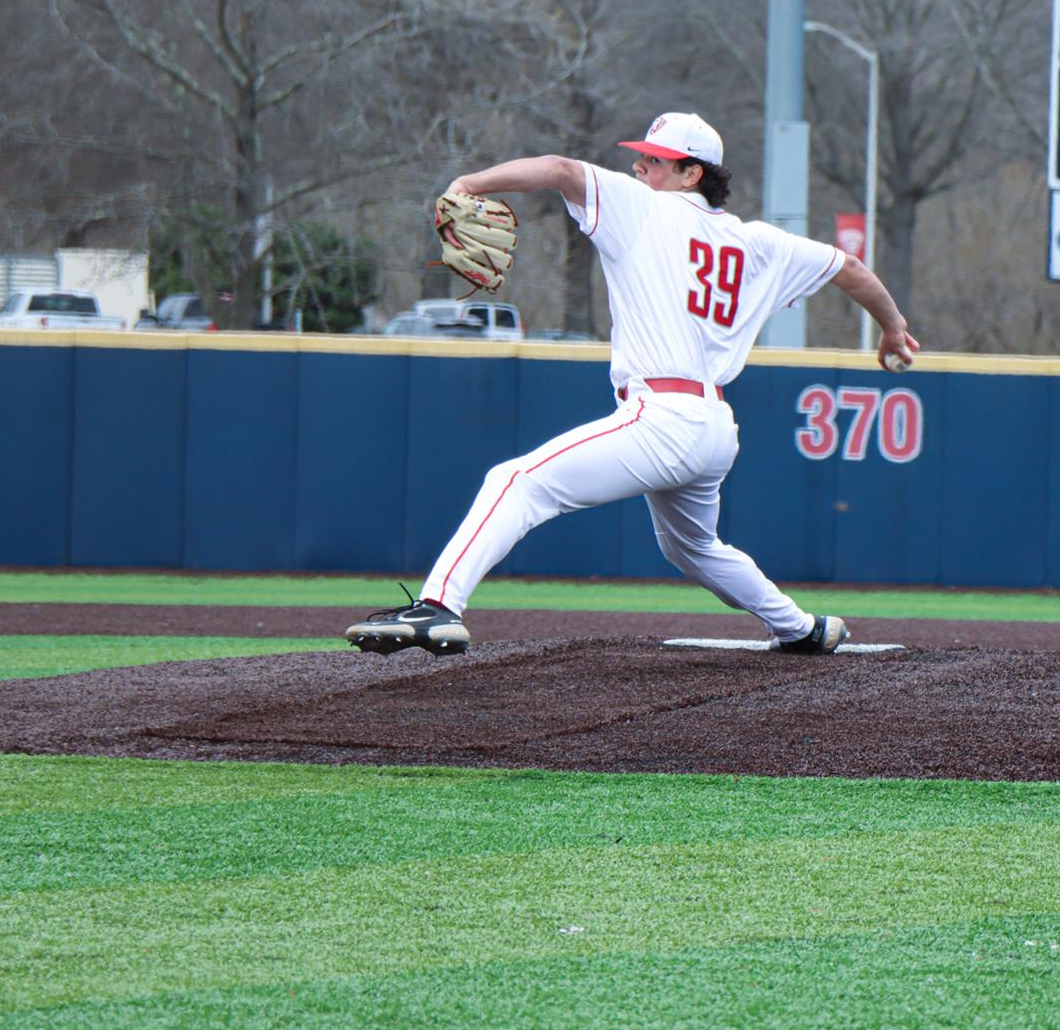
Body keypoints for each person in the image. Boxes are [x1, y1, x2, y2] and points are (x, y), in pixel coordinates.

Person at [346, 111, 920, 658]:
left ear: (691, 173)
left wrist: (468, 182)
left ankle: (438, 605)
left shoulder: (645, 209)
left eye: (654, 161)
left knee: (516, 481)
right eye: (641, 160)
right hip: (714, 427)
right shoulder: (760, 242)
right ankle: (801, 629)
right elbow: (852, 270)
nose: (640, 169)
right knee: (691, 547)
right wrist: (894, 329)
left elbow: (561, 169)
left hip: (662, 417)